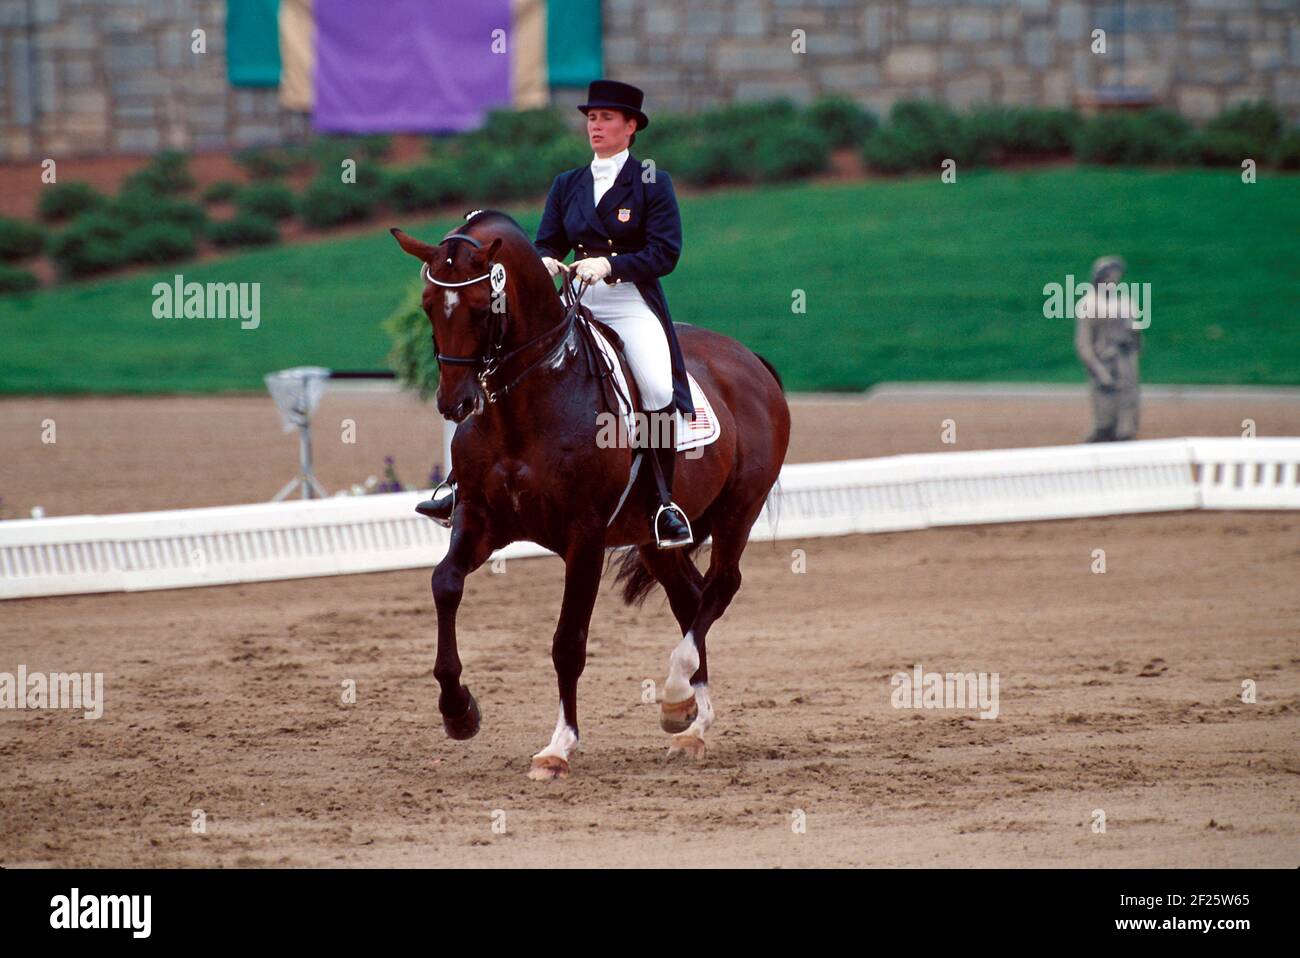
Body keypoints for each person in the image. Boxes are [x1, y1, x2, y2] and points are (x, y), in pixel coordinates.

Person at [417, 79, 695, 548]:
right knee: (495, 367)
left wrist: (611, 265)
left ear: (630, 127)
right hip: (572, 301)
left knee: (655, 384)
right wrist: (544, 260)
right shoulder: (568, 184)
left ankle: (663, 503)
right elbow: (546, 241)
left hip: (627, 301)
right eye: (591, 118)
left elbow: (665, 252)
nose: (596, 126)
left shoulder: (652, 181)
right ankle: (459, 486)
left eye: (607, 118)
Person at [1075, 255, 1142, 442]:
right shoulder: (1089, 304)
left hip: (1125, 363)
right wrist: (1098, 369)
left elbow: (1135, 334)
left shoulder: (1125, 302)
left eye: (1116, 277)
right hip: (1104, 362)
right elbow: (1084, 343)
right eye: (1108, 277)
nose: (1113, 281)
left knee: (1127, 420)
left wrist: (1135, 337)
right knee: (1105, 420)